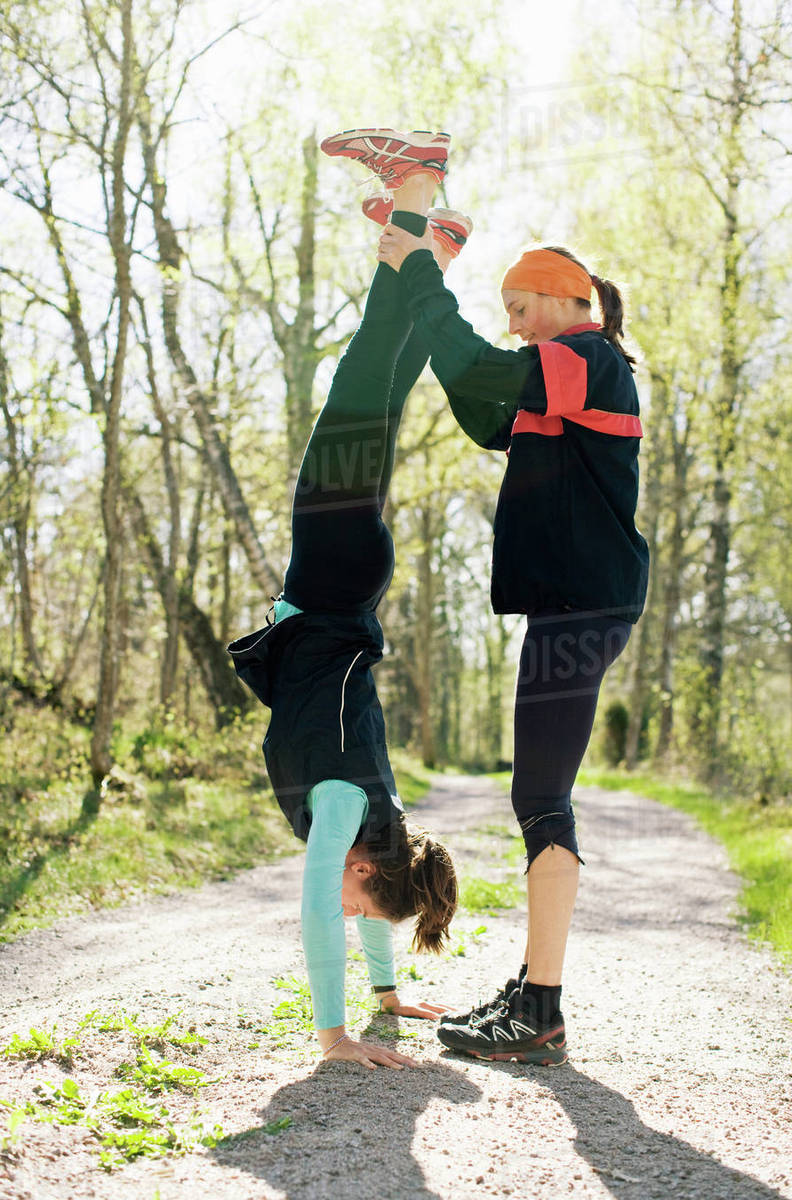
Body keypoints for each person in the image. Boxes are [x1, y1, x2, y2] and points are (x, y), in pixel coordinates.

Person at [377, 192, 649, 1064]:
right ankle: (536, 992)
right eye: (511, 315)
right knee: (538, 797)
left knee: (541, 798)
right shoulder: (550, 379)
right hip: (571, 603)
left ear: (573, 302)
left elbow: (494, 373)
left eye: (524, 307)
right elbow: (480, 393)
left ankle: (542, 1006)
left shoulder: (591, 360)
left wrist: (424, 268)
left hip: (584, 603)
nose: (518, 326)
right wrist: (418, 276)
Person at [228, 129, 473, 1070]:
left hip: (345, 579)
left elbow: (378, 904)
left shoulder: (381, 826)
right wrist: (334, 1034)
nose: (343, 898)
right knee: (358, 386)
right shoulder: (343, 813)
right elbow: (321, 909)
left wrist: (387, 991)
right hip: (331, 572)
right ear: (364, 869)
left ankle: (429, 250)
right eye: (357, 894)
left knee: (374, 399)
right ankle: (415, 186)